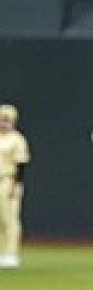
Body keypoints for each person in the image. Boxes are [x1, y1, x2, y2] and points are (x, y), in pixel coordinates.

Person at [0, 103, 30, 268]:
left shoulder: (17, 139)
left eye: (6, 120)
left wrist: (16, 184)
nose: (3, 123)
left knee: (9, 218)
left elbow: (21, 164)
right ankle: (1, 251)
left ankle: (11, 253)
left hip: (8, 180)